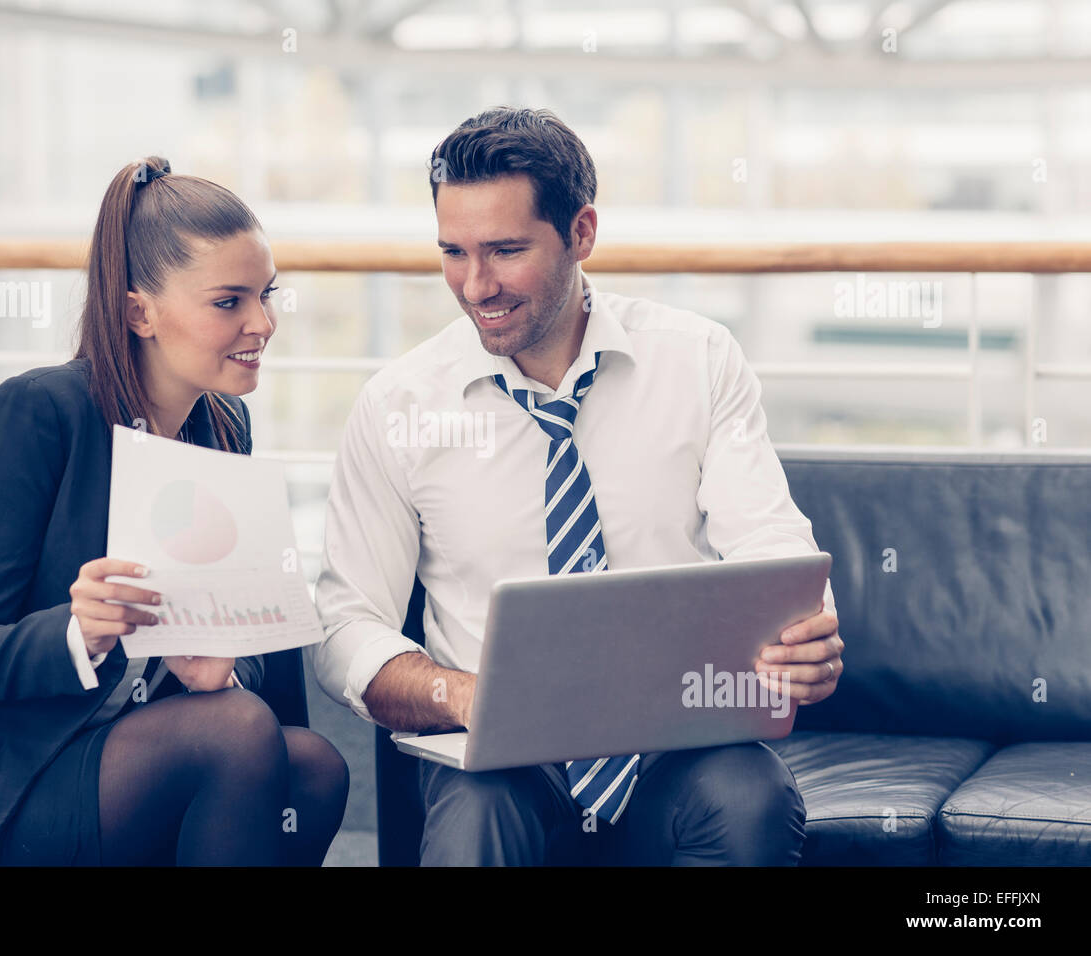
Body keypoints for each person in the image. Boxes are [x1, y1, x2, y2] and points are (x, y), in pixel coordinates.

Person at [312, 108, 844, 866]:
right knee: (473, 832)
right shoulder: (401, 405)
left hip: (672, 745)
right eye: (453, 252)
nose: (475, 285)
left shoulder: (697, 360)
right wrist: (461, 694)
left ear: (582, 233)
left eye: (505, 250)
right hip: (499, 762)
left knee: (749, 802)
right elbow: (344, 625)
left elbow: (769, 541)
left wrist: (805, 632)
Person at [0, 157, 348, 867]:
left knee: (313, 765)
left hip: (121, 753)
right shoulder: (37, 413)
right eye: (229, 301)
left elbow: (238, 637)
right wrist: (77, 633)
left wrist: (223, 671)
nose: (264, 322)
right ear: (137, 312)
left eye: (266, 295)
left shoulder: (224, 426)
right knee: (239, 733)